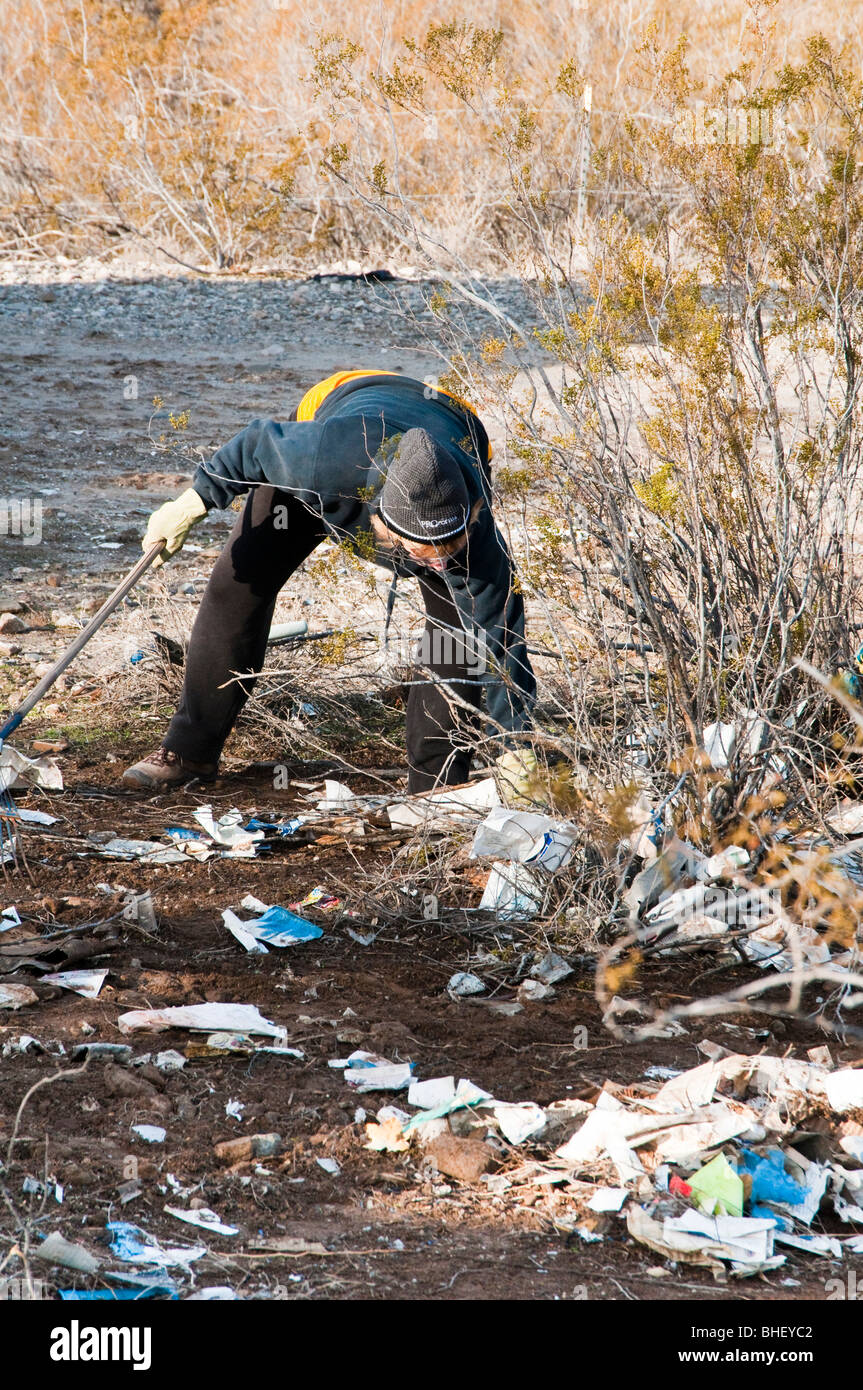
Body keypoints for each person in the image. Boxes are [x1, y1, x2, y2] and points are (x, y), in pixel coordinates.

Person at [122, 369, 536, 793]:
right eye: (420, 554)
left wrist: (517, 745)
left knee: (455, 633)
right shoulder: (324, 456)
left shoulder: (474, 531)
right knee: (239, 581)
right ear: (380, 525)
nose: (435, 565)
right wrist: (192, 502)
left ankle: (434, 784)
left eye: (445, 553)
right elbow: (256, 444)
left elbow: (500, 639)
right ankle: (189, 752)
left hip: (451, 422)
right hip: (344, 407)